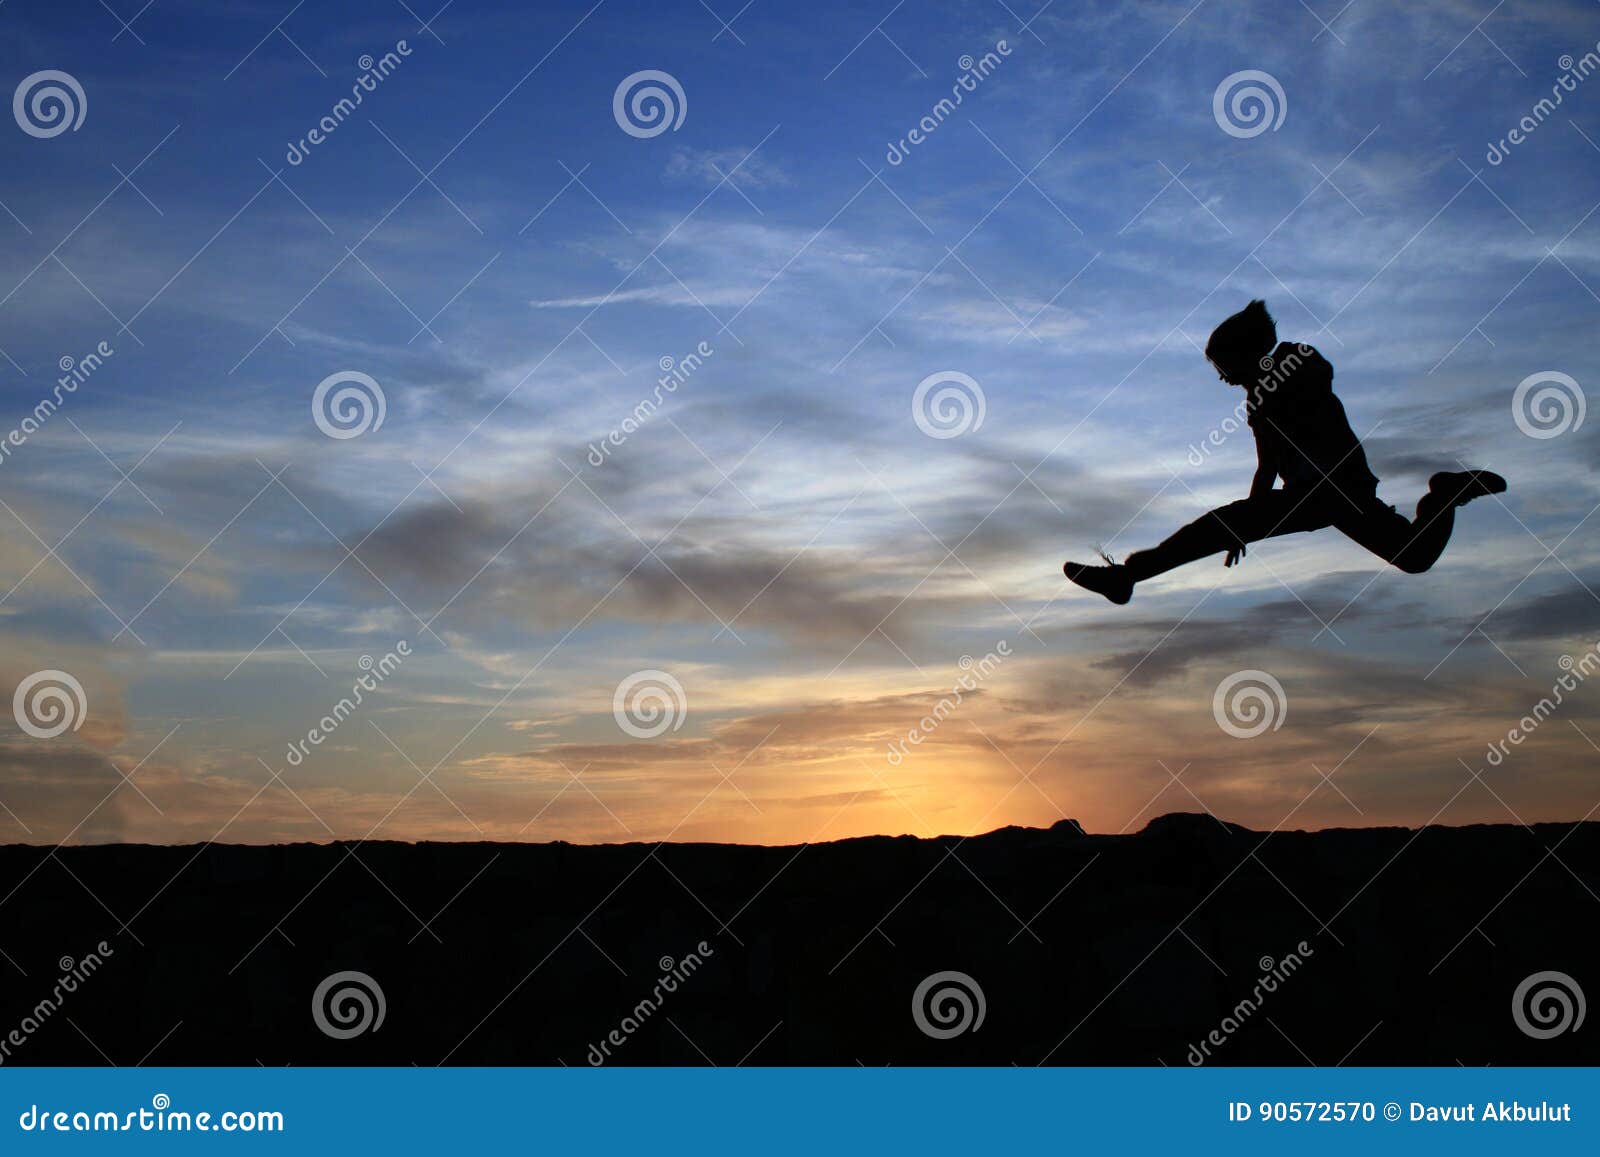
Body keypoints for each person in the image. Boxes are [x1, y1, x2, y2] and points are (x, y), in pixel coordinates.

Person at [1063, 299, 1505, 605]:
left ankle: (1125, 577)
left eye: (1224, 368)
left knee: (1411, 556)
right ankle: (1444, 496)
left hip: (1332, 488)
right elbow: (1267, 467)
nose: (1222, 379)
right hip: (1319, 498)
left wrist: (1245, 522)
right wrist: (1246, 525)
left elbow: (1316, 374)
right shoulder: (1256, 402)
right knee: (1412, 556)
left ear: (1246, 354)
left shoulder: (1294, 360)